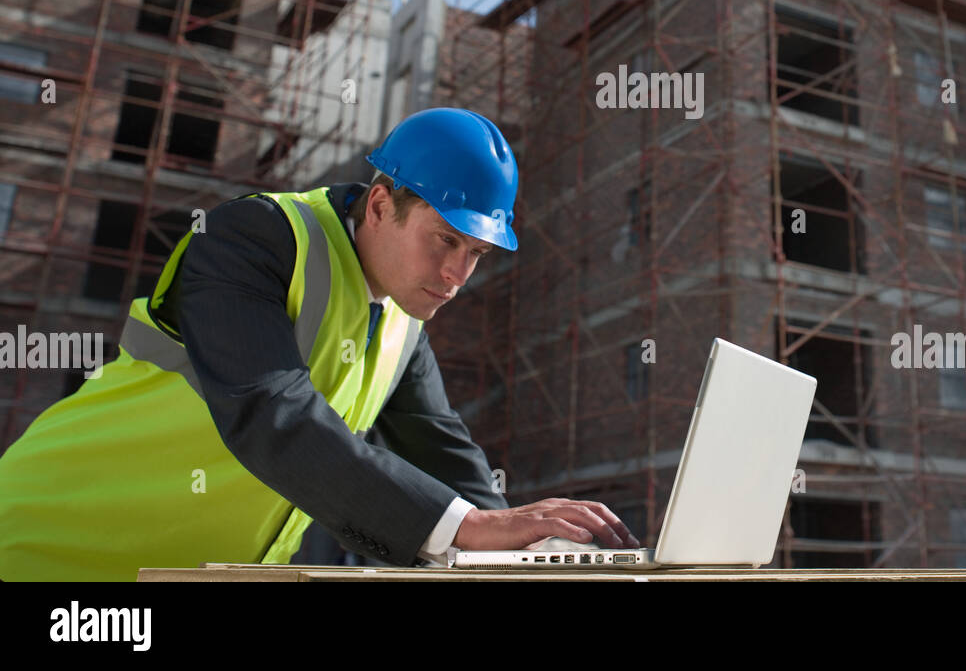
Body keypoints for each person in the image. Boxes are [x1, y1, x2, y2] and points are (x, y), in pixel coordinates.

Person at [0, 107, 636, 581]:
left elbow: (448, 458)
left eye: (476, 254)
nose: (457, 277)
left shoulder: (402, 326)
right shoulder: (254, 239)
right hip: (41, 552)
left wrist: (532, 554)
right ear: (382, 205)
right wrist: (467, 529)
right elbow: (272, 419)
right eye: (445, 240)